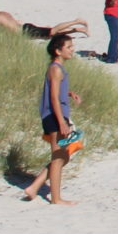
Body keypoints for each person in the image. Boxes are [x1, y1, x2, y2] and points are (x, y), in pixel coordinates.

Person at [20, 33, 82, 204]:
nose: (72, 50)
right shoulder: (55, 68)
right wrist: (61, 121)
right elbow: (53, 97)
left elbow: (57, 92)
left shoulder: (59, 68)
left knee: (64, 155)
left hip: (56, 115)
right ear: (58, 51)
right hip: (54, 117)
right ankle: (56, 198)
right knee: (58, 157)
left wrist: (69, 94)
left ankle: (34, 187)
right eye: (68, 47)